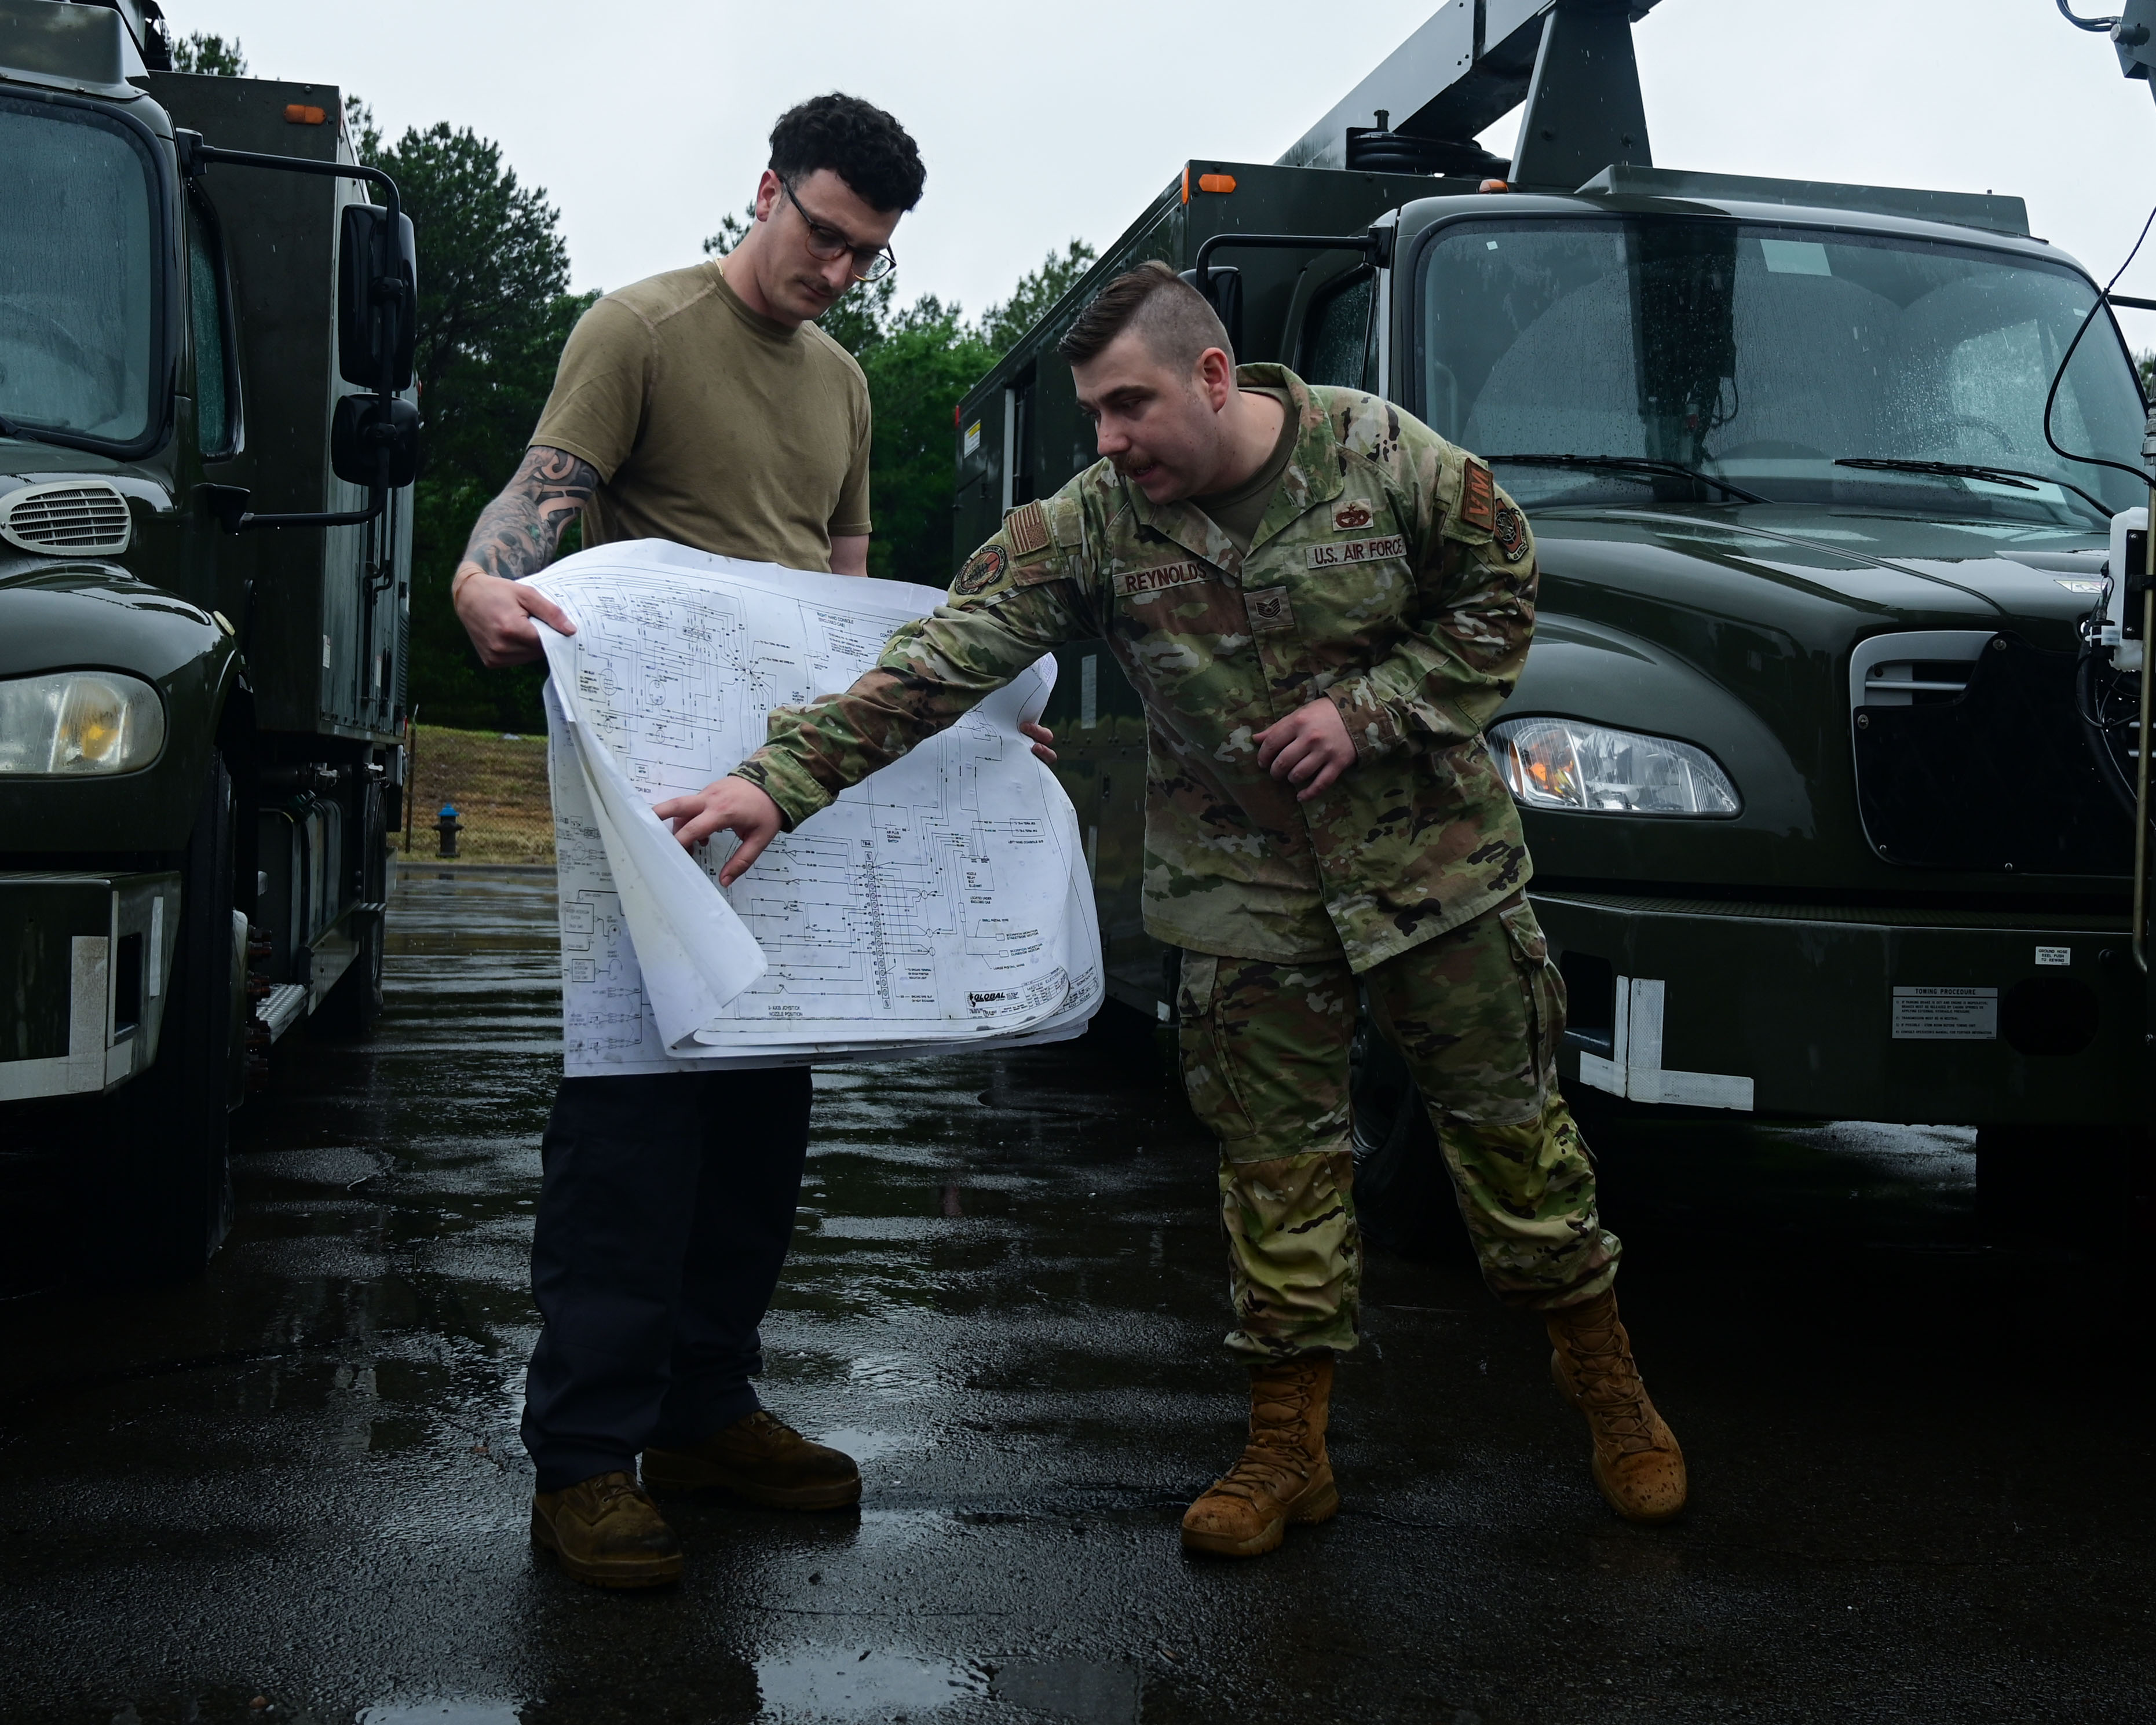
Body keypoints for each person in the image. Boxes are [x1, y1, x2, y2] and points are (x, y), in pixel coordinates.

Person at [656, 262, 1688, 1560]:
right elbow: (938, 660)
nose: (1108, 438)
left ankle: (1609, 1392)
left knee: (1515, 1147)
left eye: (1129, 404)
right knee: (1276, 1176)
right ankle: (1284, 1449)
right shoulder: (1091, 524)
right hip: (1243, 895)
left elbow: (1502, 592)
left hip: (1434, 874)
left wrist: (1368, 713)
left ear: (1214, 377)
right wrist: (773, 781)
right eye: (1093, 413)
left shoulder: (1388, 460)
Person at [451, 93, 945, 1590]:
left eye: (869, 256)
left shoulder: (846, 387)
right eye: (825, 235)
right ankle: (587, 1460)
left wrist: (955, 743)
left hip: (776, 804)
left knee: (756, 1130)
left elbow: (848, 613)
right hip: (641, 802)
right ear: (766, 190)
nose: (840, 274)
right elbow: (541, 501)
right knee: (632, 1133)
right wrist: (479, 578)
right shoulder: (641, 329)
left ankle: (704, 1411)